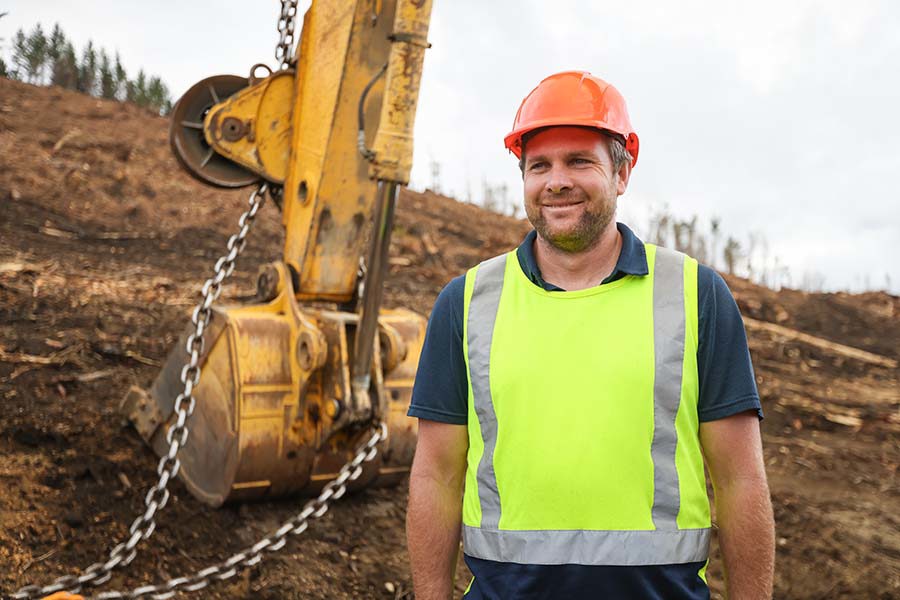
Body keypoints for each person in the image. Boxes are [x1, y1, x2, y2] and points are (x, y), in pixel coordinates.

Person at [405, 71, 775, 599]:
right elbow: (435, 478)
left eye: (579, 161)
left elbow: (740, 480)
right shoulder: (465, 303)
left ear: (622, 173)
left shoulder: (696, 295)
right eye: (539, 165)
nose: (556, 181)